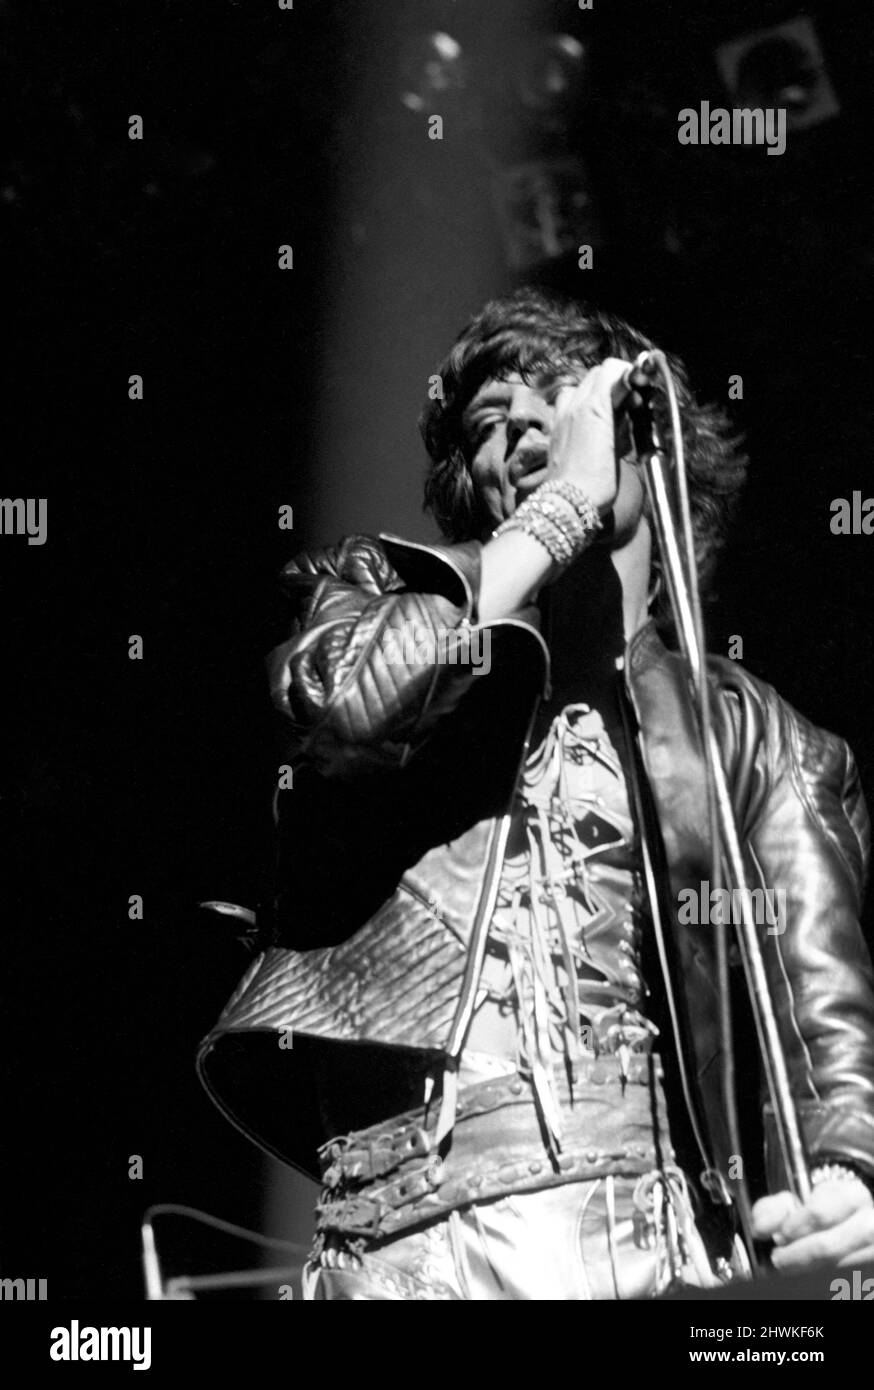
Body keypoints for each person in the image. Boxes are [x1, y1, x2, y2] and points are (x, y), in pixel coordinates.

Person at [198, 289, 874, 1300]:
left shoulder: (760, 737)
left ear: (644, 441)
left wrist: (843, 1171)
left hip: (633, 1249)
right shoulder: (378, 596)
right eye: (484, 424)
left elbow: (815, 975)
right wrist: (560, 512)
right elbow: (348, 701)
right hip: (396, 1252)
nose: (520, 432)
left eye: (557, 401)